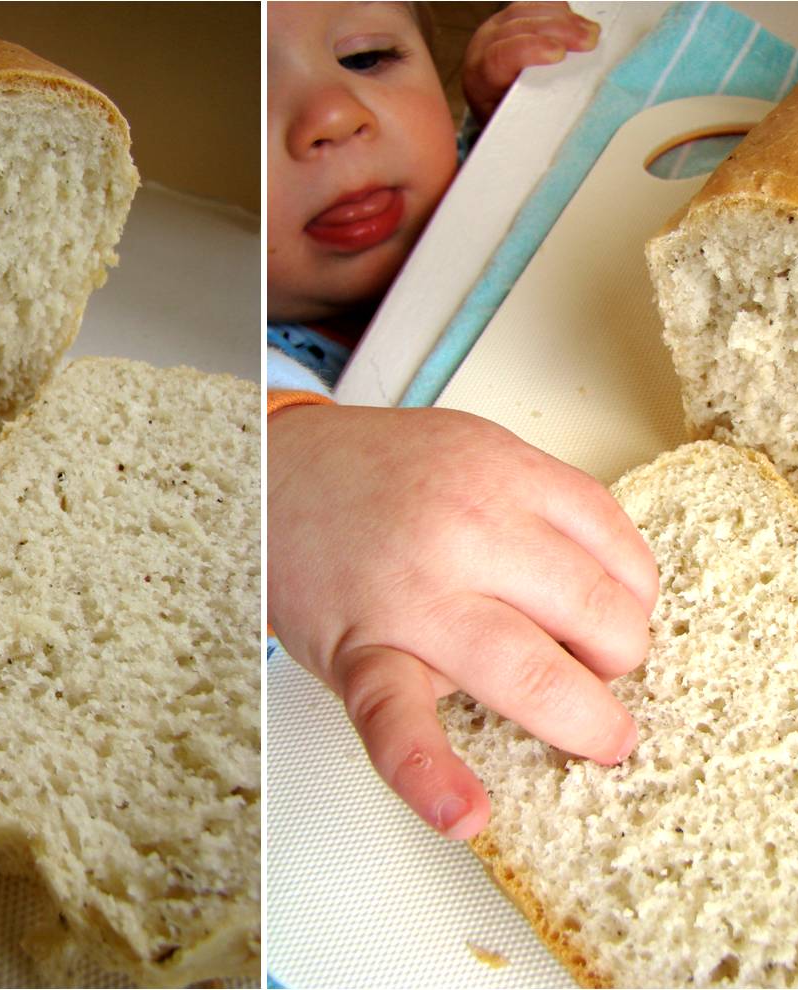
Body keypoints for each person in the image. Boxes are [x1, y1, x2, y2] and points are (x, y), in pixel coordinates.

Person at [267, 1, 660, 842]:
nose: (331, 116)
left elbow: (484, 195)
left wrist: (503, 120)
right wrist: (286, 467)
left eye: (369, 56)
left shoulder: (449, 172)